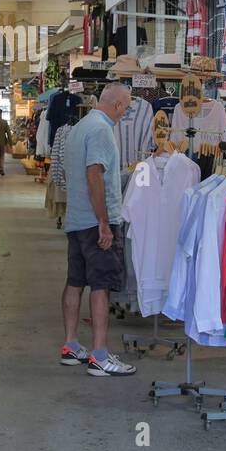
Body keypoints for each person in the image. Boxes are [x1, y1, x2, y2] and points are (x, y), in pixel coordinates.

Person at [59, 82, 136, 377]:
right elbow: (95, 175)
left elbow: (71, 173)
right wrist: (104, 222)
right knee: (100, 285)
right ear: (116, 105)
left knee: (75, 281)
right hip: (95, 222)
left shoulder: (79, 128)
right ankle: (100, 354)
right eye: (125, 108)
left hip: (77, 219)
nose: (125, 113)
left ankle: (71, 345)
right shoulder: (102, 130)